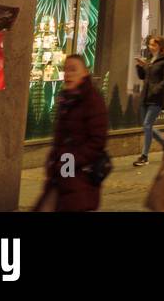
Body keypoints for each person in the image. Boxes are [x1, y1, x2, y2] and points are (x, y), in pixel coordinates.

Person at [39, 54, 108, 212]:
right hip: (62, 170)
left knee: (71, 204)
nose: (68, 74)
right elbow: (60, 136)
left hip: (79, 174)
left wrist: (67, 162)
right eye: (66, 70)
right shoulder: (67, 98)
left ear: (85, 73)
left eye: (73, 70)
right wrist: (53, 161)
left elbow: (97, 141)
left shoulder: (92, 100)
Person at [133, 35, 164, 166]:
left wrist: (157, 89)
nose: (150, 47)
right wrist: (140, 66)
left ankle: (144, 156)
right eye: (149, 45)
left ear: (160, 46)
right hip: (145, 96)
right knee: (147, 126)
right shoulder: (150, 60)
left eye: (153, 45)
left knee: (147, 125)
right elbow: (143, 77)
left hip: (156, 97)